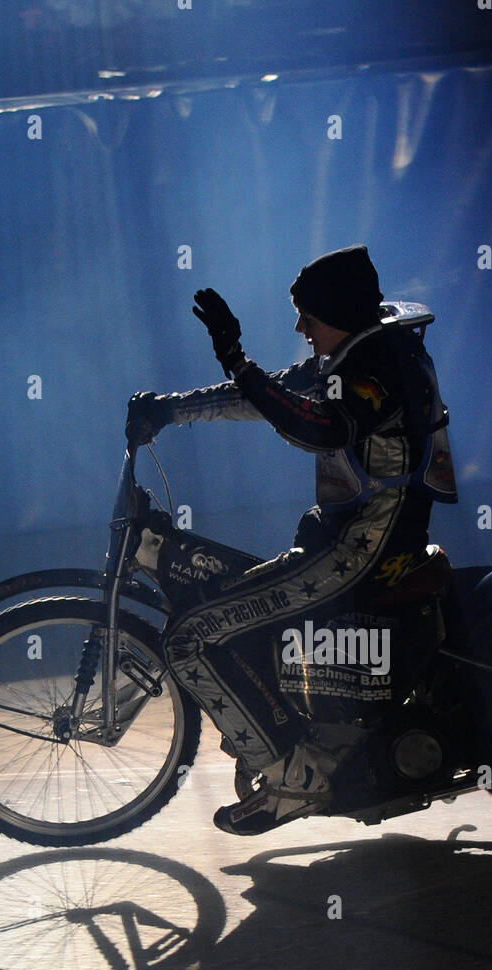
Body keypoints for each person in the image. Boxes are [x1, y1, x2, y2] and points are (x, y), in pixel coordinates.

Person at [126, 244, 456, 835]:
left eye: (307, 314)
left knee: (188, 640)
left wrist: (238, 360)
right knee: (225, 599)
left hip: (360, 555)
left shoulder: (376, 371)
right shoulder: (361, 350)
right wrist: (170, 411)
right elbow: (275, 395)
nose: (298, 325)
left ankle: (293, 782)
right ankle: (297, 734)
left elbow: (316, 425)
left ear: (337, 310)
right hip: (345, 542)